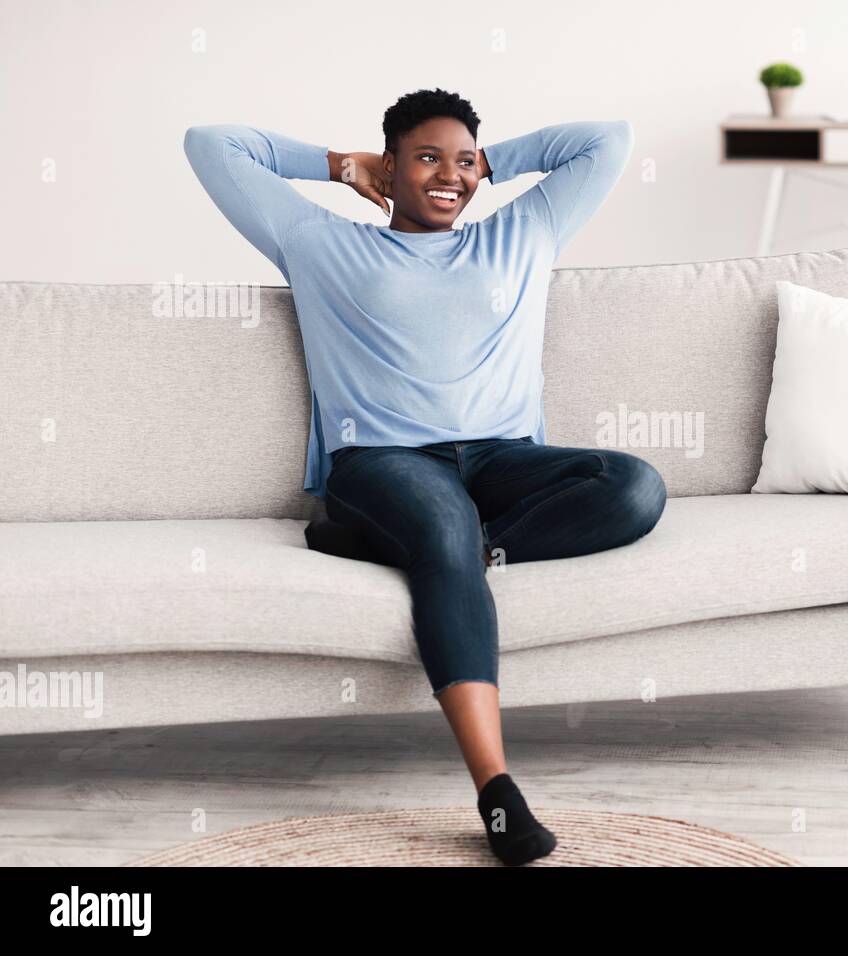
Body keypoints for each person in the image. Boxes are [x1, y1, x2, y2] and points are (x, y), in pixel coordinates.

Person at [183, 88, 666, 866]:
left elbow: (608, 137)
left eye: (465, 160)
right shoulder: (319, 241)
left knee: (635, 486)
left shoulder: (522, 231)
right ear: (392, 166)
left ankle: (421, 554)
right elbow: (211, 140)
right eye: (428, 158)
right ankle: (498, 791)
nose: (451, 175)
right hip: (382, 461)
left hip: (500, 459)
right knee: (443, 530)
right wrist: (339, 165)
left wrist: (489, 163)